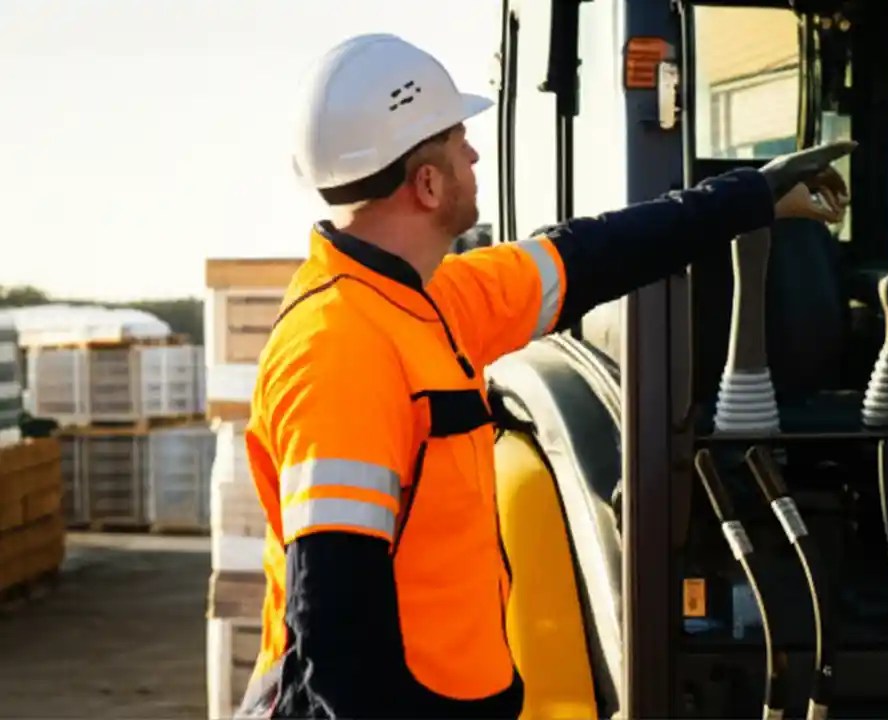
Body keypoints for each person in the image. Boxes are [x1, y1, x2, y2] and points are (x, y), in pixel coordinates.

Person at [237, 32, 853, 720]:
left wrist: (754, 196)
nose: (475, 154)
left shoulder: (431, 301)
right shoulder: (339, 349)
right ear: (428, 183)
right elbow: (337, 631)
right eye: (458, 140)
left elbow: (595, 252)